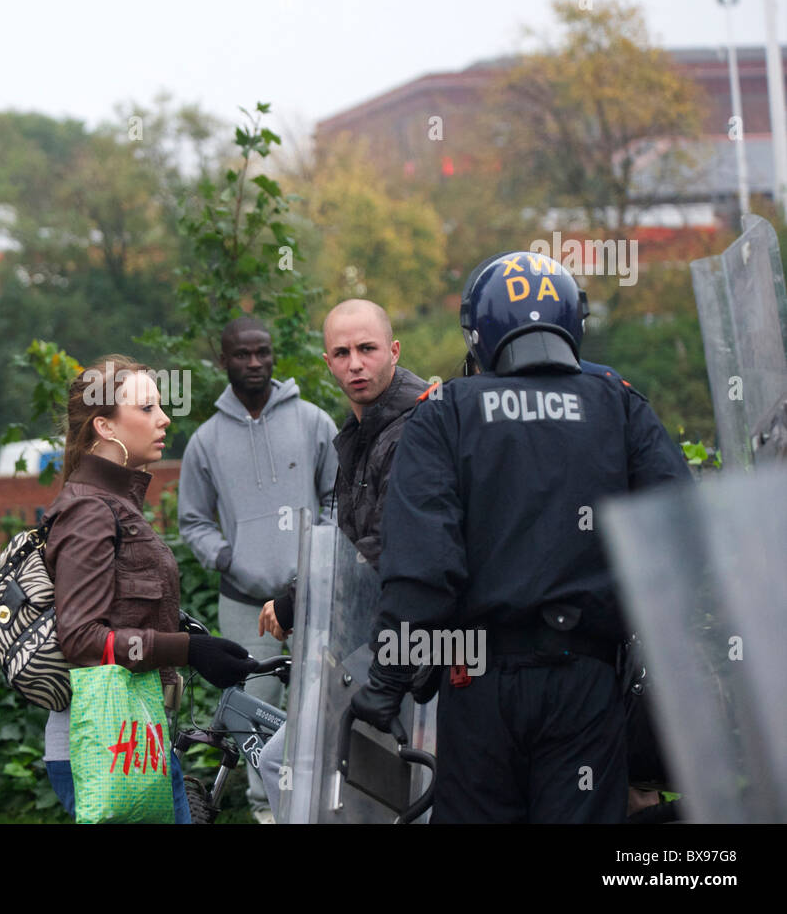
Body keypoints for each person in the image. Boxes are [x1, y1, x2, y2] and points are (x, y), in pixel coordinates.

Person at [352, 250, 691, 823]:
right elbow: (679, 535)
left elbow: (424, 573)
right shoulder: (619, 402)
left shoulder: (446, 412)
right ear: (573, 322)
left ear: (477, 333)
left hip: (478, 681)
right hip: (587, 683)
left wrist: (386, 681)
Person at [43, 355, 257, 823]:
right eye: (146, 409)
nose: (164, 419)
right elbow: (79, 639)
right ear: (105, 426)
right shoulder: (89, 512)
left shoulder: (116, 503)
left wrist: (189, 639)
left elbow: (124, 610)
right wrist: (188, 650)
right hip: (102, 744)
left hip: (136, 737)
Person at [255, 300, 428, 817]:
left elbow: (390, 544)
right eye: (342, 352)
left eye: (367, 349)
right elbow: (347, 540)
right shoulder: (356, 433)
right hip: (368, 642)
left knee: (405, 794)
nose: (356, 363)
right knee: (289, 766)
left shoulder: (418, 425)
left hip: (417, 647)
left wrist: (293, 599)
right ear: (327, 362)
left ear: (393, 351)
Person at [177, 317, 338, 822]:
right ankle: (267, 814)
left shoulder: (314, 421)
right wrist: (230, 560)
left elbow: (339, 497)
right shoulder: (205, 440)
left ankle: (327, 810)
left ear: (273, 356)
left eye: (263, 353)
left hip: (313, 601)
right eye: (242, 355)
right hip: (246, 606)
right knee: (253, 717)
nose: (254, 363)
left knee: (322, 710)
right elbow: (193, 520)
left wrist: (321, 558)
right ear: (223, 361)